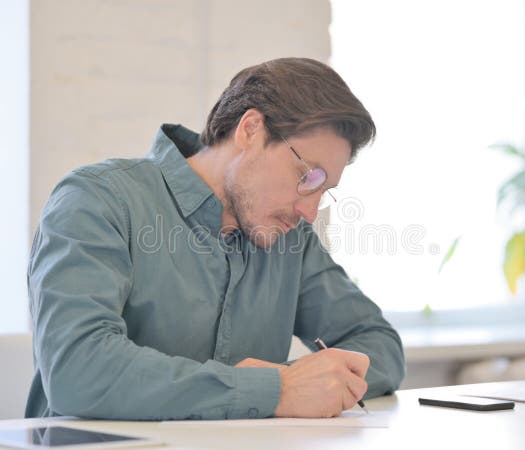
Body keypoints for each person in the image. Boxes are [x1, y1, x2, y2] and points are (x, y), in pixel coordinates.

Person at [25, 57, 405, 421]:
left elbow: (378, 344)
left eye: (324, 190)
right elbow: (77, 368)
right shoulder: (97, 201)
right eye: (309, 177)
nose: (309, 212)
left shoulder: (290, 239)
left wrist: (306, 384)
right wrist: (276, 389)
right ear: (250, 130)